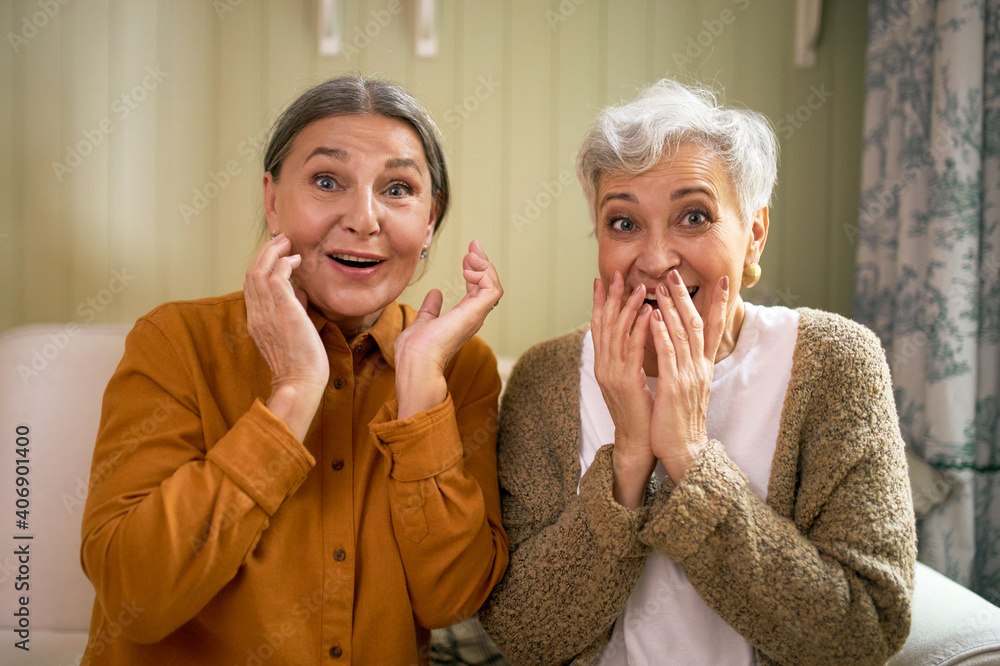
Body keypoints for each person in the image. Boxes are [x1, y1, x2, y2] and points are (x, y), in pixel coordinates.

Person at [479, 80, 916, 665]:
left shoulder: (836, 363)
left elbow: (863, 632)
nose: (656, 259)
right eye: (624, 223)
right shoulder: (546, 377)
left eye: (694, 216)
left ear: (754, 235)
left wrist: (689, 456)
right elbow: (521, 633)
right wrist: (629, 462)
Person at [80, 75, 508, 665]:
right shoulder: (174, 343)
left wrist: (420, 396)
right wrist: (294, 391)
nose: (364, 218)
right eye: (327, 181)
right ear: (272, 198)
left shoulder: (461, 368)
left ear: (430, 220)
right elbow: (136, 593)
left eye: (399, 189)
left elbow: (451, 600)